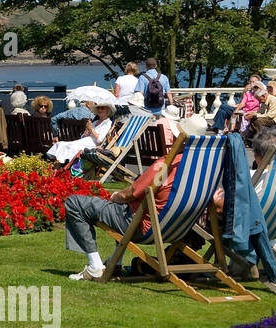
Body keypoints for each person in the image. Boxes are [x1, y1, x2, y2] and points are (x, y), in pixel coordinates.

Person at [63, 114, 209, 280]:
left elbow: (131, 194)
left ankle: (95, 266)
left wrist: (116, 195)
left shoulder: (166, 166)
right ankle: (114, 263)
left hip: (143, 227)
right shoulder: (203, 169)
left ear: (179, 138)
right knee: (122, 208)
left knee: (74, 202)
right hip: (176, 228)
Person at [44, 102, 114, 167]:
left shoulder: (107, 123)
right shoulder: (95, 122)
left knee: (71, 147)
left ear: (108, 110)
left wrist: (91, 130)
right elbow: (83, 137)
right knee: (60, 144)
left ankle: (62, 165)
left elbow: (100, 140)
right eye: (98, 108)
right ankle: (51, 161)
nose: (100, 110)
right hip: (84, 141)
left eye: (102, 108)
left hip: (92, 145)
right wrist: (86, 133)